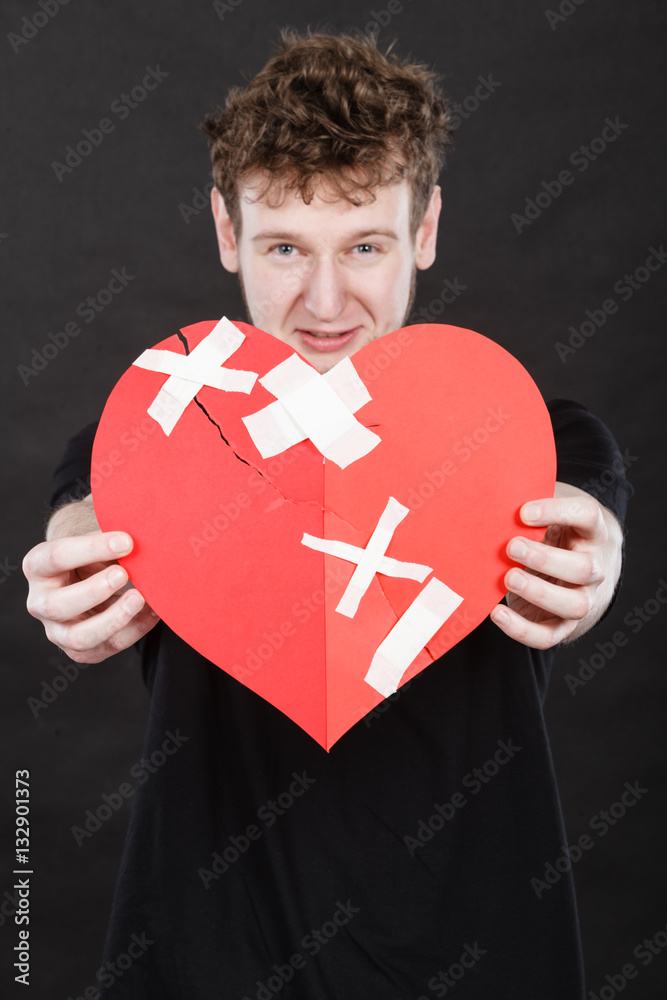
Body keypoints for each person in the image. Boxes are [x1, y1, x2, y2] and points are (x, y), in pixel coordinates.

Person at [24, 30, 631, 999]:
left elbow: (579, 517)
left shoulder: (533, 440)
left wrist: (590, 560)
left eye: (363, 245)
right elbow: (87, 511)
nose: (323, 300)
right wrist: (71, 572)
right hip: (205, 965)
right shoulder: (150, 438)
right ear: (226, 233)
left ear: (425, 229)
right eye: (282, 248)